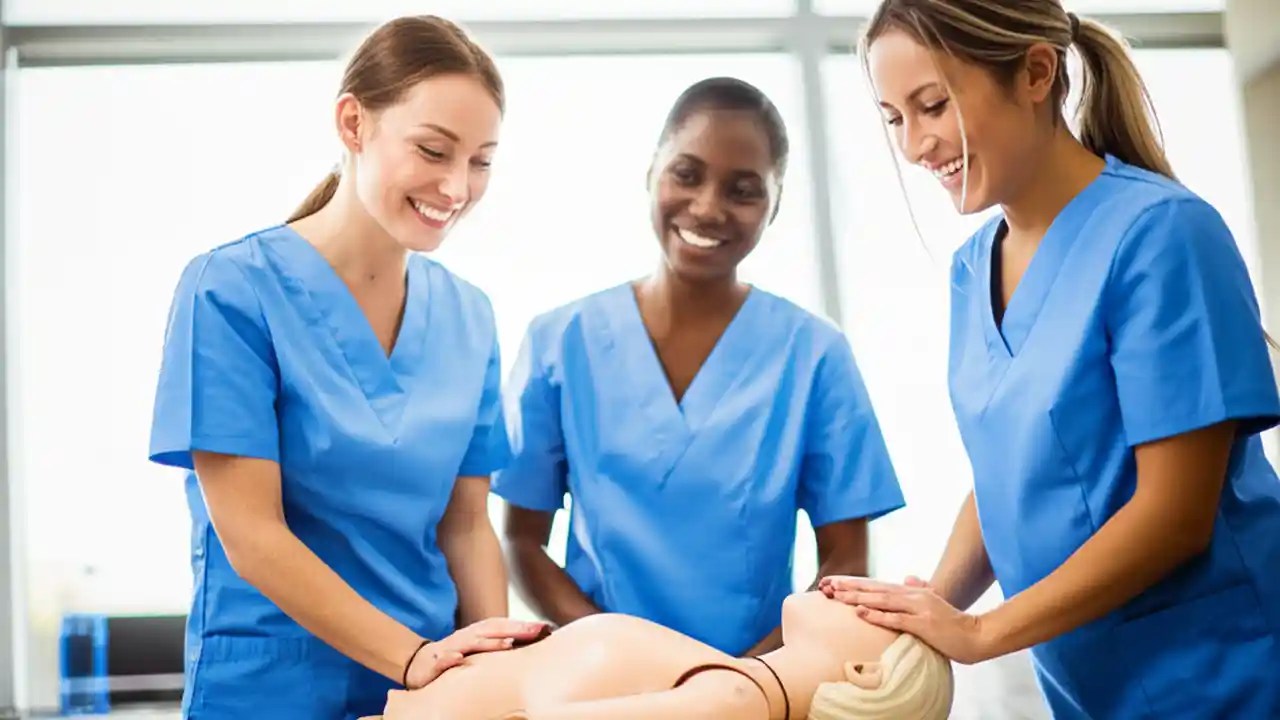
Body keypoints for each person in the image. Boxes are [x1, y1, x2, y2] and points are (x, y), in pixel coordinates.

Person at [820, 2, 1280, 718]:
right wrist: (930, 609)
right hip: (1089, 688)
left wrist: (981, 632)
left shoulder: (1162, 235)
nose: (915, 145)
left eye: (932, 105)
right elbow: (1007, 480)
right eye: (893, 118)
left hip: (1227, 674)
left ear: (1036, 72)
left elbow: (1176, 513)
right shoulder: (973, 270)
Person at [147, 16, 546, 719]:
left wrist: (492, 670)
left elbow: (466, 524)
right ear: (353, 123)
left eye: (481, 161)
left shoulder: (468, 314)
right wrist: (414, 659)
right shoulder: (231, 290)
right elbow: (253, 537)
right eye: (433, 150)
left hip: (435, 688)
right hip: (274, 685)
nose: (457, 186)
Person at [492, 76, 906, 659]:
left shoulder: (813, 355)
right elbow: (520, 541)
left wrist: (750, 676)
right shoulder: (561, 342)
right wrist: (617, 655)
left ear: (774, 206)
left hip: (762, 681)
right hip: (600, 681)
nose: (708, 207)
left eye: (743, 190)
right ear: (650, 176)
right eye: (686, 174)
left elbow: (845, 561)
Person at [360, 590, 953, 720]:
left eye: (882, 615)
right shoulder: (723, 678)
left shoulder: (735, 699)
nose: (861, 591)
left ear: (865, 674)